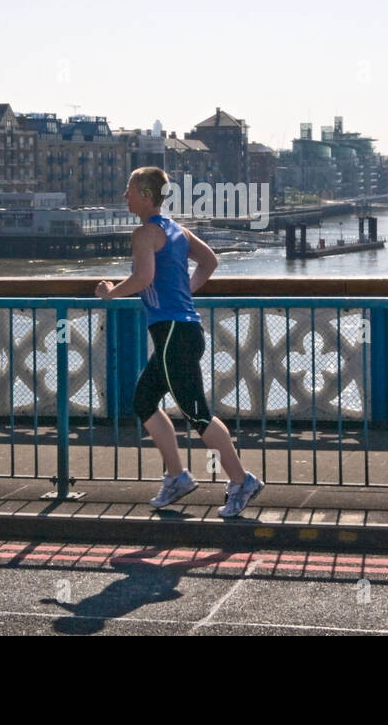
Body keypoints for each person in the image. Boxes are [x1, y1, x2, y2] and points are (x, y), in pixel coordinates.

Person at [95, 167, 264, 517]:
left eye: (129, 190)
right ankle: (177, 476)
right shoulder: (177, 230)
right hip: (182, 331)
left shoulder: (144, 234)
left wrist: (111, 292)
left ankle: (241, 480)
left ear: (144, 195)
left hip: (173, 333)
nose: (124, 195)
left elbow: (143, 278)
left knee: (198, 414)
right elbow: (209, 261)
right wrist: (184, 291)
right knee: (144, 401)